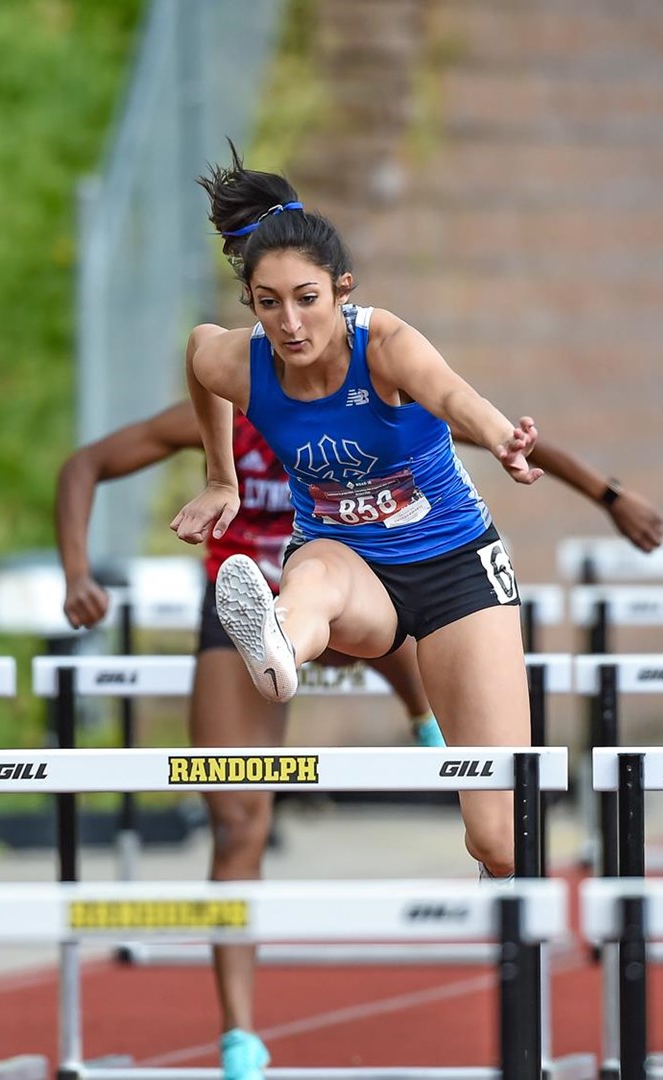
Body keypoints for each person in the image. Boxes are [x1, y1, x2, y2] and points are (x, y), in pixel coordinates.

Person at [58, 393, 661, 1074]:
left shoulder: (368, 401)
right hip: (246, 605)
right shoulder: (226, 412)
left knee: (362, 585)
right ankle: (238, 1038)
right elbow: (84, 465)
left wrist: (608, 494)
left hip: (354, 586)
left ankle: (422, 713)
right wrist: (77, 572)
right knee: (234, 825)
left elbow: (504, 436)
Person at [169, 147, 547, 1078]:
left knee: (500, 839)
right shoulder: (242, 359)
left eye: (307, 300)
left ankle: (530, 1024)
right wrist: (220, 476)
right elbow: (196, 358)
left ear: (342, 291)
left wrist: (502, 437)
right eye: (269, 304)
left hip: (456, 569)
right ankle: (280, 647)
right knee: (316, 573)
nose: (290, 324)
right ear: (252, 306)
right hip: (354, 569)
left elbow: (455, 397)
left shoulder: (385, 345)